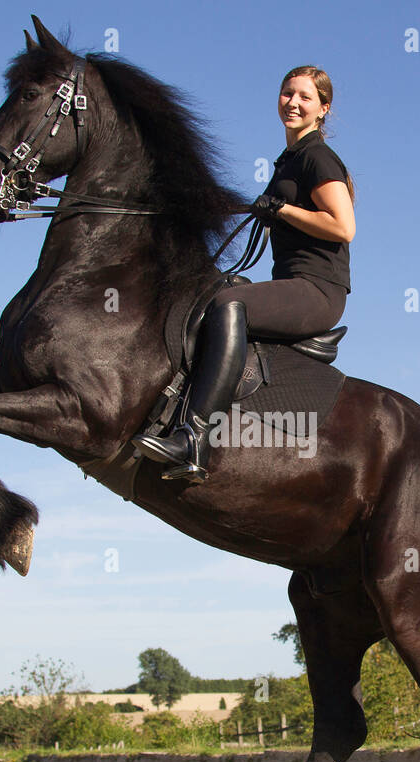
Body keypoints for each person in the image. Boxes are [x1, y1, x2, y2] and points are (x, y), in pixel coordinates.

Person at [133, 65, 356, 482]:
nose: (293, 102)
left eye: (305, 97)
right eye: (287, 93)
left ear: (323, 109)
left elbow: (344, 226)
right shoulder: (288, 161)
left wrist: (282, 209)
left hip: (319, 290)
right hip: (293, 283)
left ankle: (196, 436)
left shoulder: (317, 157)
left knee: (229, 302)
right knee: (219, 289)